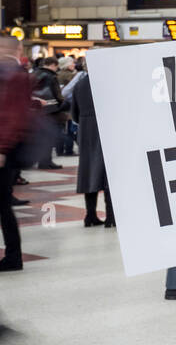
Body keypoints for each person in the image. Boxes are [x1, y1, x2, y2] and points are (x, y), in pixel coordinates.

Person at [67, 61, 113, 228]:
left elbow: (74, 113)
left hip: (86, 132)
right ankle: (111, 217)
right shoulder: (109, 83)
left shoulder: (80, 84)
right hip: (106, 128)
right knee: (109, 174)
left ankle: (90, 215)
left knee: (89, 172)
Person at [0, 36, 29, 272]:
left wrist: (2, 148)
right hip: (6, 147)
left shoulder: (15, 74)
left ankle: (13, 256)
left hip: (5, 150)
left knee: (2, 204)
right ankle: (13, 255)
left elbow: (13, 115)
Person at [30, 57, 65, 169]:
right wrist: (63, 104)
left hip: (36, 109)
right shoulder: (51, 76)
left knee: (40, 137)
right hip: (50, 109)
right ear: (53, 65)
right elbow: (57, 94)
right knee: (49, 137)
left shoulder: (34, 73)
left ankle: (42, 160)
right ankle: (46, 161)